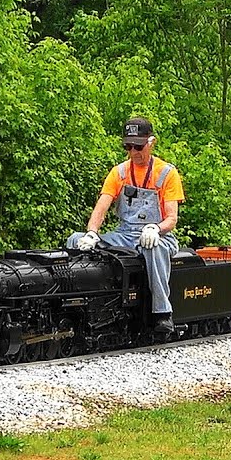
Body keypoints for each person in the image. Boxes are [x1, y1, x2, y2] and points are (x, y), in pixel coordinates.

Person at [67, 117, 184, 335]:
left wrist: (156, 229)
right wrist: (91, 233)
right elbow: (102, 206)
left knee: (154, 247)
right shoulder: (119, 172)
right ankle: (76, 303)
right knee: (74, 239)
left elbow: (172, 218)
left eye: (138, 146)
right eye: (128, 146)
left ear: (151, 142)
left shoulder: (167, 173)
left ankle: (162, 312)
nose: (133, 152)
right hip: (124, 234)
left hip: (159, 236)